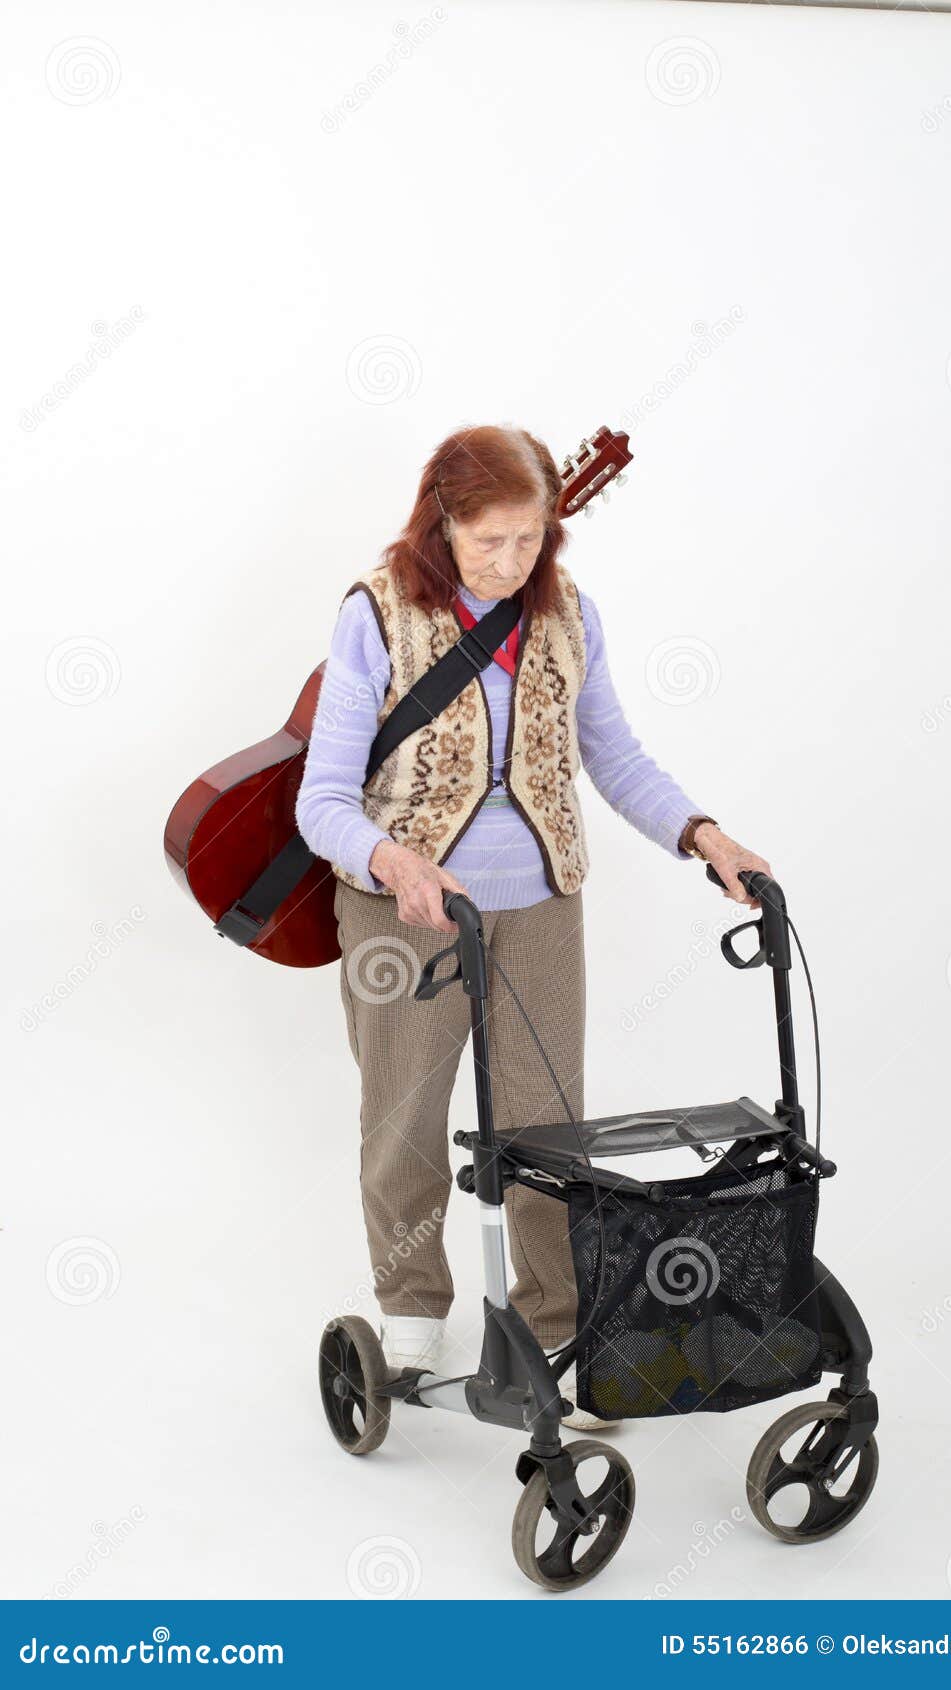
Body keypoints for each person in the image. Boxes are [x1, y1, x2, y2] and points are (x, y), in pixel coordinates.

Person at [296, 424, 772, 1429]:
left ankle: (558, 1320)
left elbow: (618, 758)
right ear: (442, 524)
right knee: (404, 1120)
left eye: (530, 540)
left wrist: (702, 831)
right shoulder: (375, 615)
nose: (512, 563)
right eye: (488, 543)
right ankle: (411, 1308)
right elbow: (322, 798)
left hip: (541, 906)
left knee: (549, 1128)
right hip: (404, 913)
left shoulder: (567, 616)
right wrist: (391, 860)